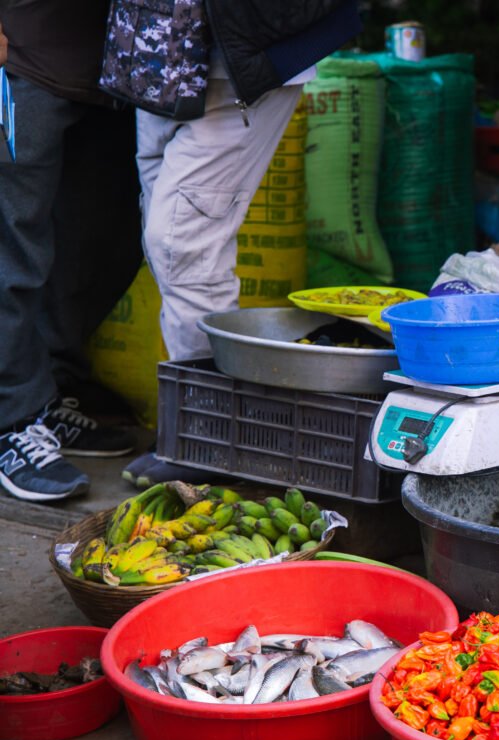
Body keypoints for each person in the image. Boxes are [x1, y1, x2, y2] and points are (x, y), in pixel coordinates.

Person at [119, 0, 362, 487]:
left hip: (237, 57)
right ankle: (192, 422)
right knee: (169, 246)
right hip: (156, 53)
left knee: (183, 243)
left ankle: (209, 429)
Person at [0, 4, 144, 502]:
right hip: (23, 56)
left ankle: (50, 393)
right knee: (13, 248)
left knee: (104, 244)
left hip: (117, 72)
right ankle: (11, 420)